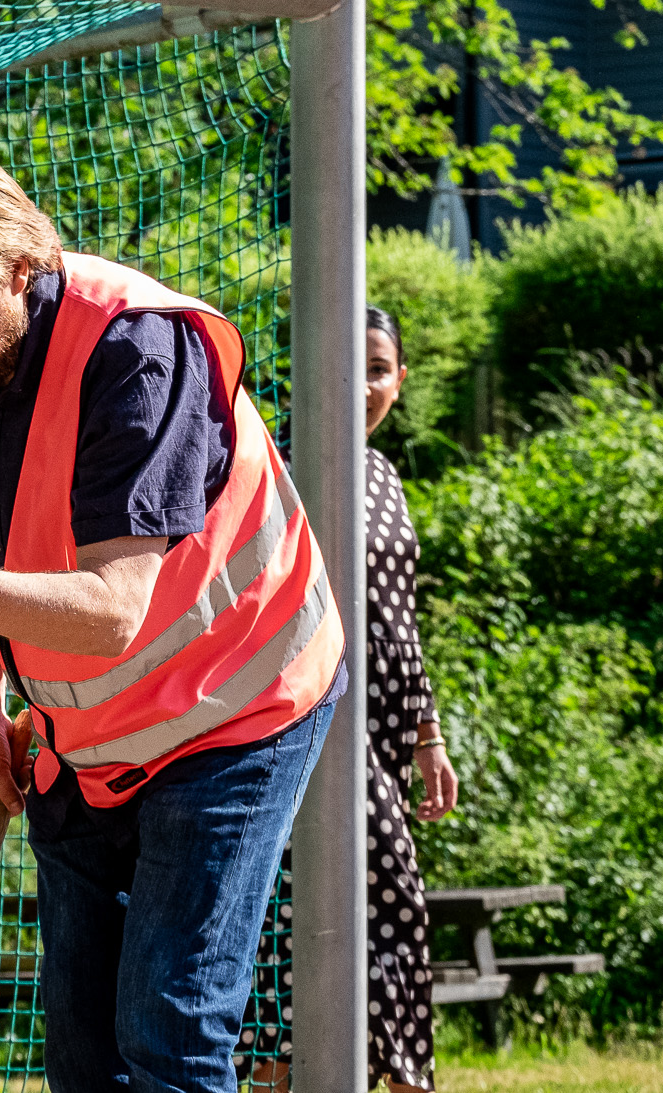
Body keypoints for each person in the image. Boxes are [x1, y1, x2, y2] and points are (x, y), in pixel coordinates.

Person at [0, 142, 347, 1093]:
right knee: (84, 1060)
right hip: (84, 737)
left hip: (235, 706)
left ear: (20, 265)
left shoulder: (137, 353)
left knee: (169, 1034)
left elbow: (108, 615)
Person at [235, 304, 461, 1093]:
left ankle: (390, 1074)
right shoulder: (280, 465)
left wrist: (427, 731)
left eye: (377, 368)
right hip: (299, 719)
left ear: (400, 378)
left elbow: (397, 615)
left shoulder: (385, 476)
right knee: (308, 914)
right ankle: (290, 1074)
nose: (361, 385)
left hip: (381, 734)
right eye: (344, 366)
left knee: (388, 909)